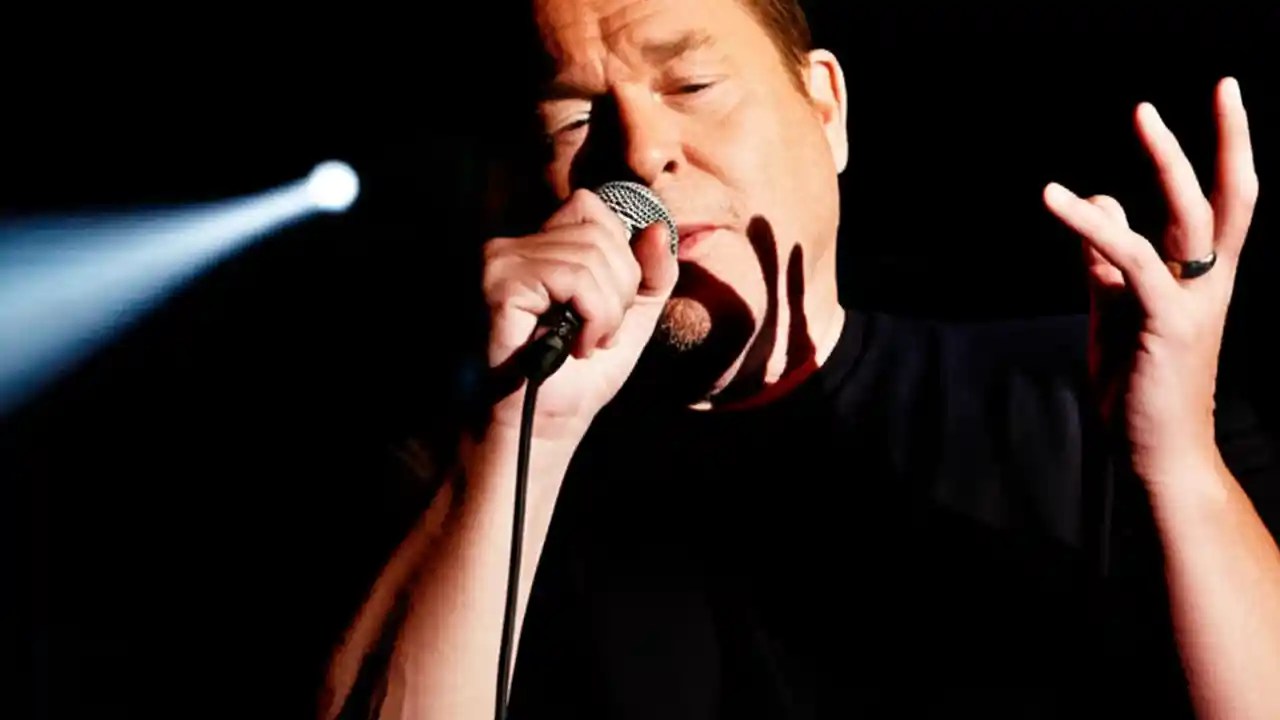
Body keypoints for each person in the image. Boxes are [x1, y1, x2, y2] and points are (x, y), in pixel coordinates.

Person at [320, 0, 1280, 717]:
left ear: (826, 108)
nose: (639, 152)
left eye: (691, 85)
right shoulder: (482, 475)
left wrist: (1176, 460)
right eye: (570, 123)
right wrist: (518, 433)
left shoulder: (1075, 394)